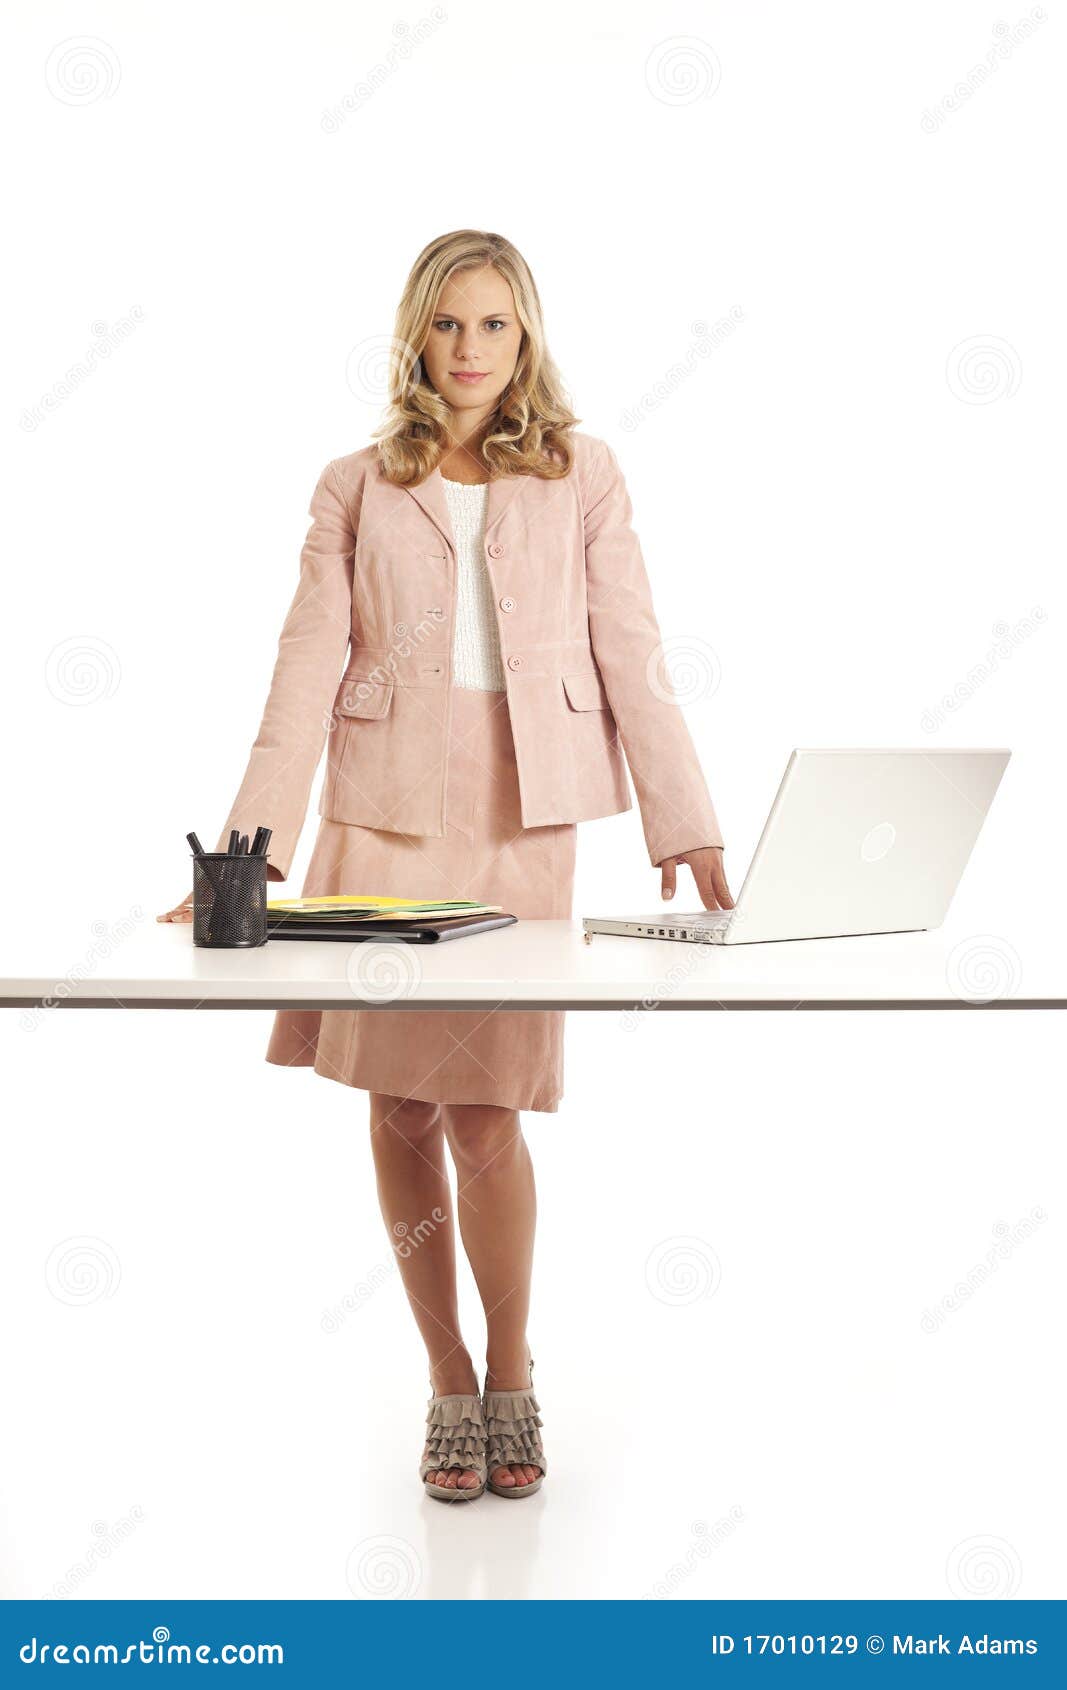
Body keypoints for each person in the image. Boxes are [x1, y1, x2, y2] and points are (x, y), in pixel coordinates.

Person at [159, 229, 733, 1502]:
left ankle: (513, 1365)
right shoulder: (353, 484)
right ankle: (444, 1377)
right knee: (399, 1106)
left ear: (525, 338)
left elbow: (632, 651)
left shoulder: (583, 475)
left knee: (487, 1113)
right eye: (447, 326)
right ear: (414, 336)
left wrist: (681, 817)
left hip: (523, 817)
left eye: (494, 326)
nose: (469, 351)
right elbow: (303, 667)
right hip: (380, 820)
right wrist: (243, 853)